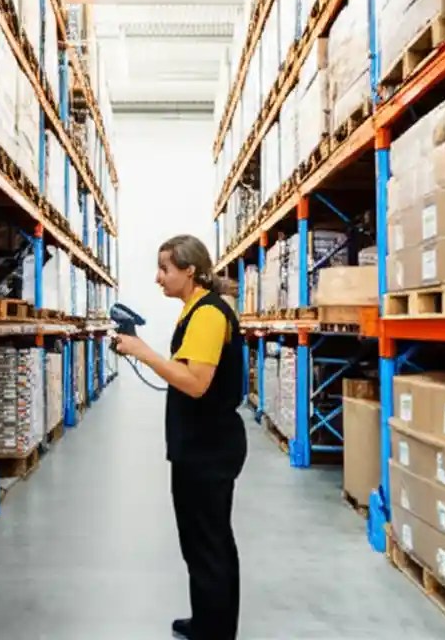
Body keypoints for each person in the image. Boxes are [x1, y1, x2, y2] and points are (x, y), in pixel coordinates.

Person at [113, 234, 247, 640]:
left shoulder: (207, 314)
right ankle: (207, 619)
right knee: (198, 539)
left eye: (165, 269)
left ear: (189, 271)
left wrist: (142, 351)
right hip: (198, 445)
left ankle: (216, 632)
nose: (158, 277)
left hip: (210, 448)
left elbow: (195, 383)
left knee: (209, 542)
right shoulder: (193, 309)